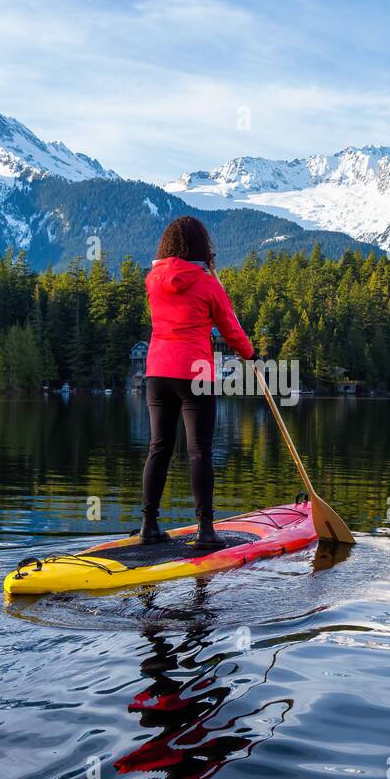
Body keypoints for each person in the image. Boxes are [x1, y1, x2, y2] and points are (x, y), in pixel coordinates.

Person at [140, 216, 253, 547]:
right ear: (203, 248)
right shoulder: (208, 285)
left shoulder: (152, 281)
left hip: (158, 372)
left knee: (159, 448)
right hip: (195, 373)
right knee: (200, 451)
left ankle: (149, 524)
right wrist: (251, 356)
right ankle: (205, 530)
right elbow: (230, 329)